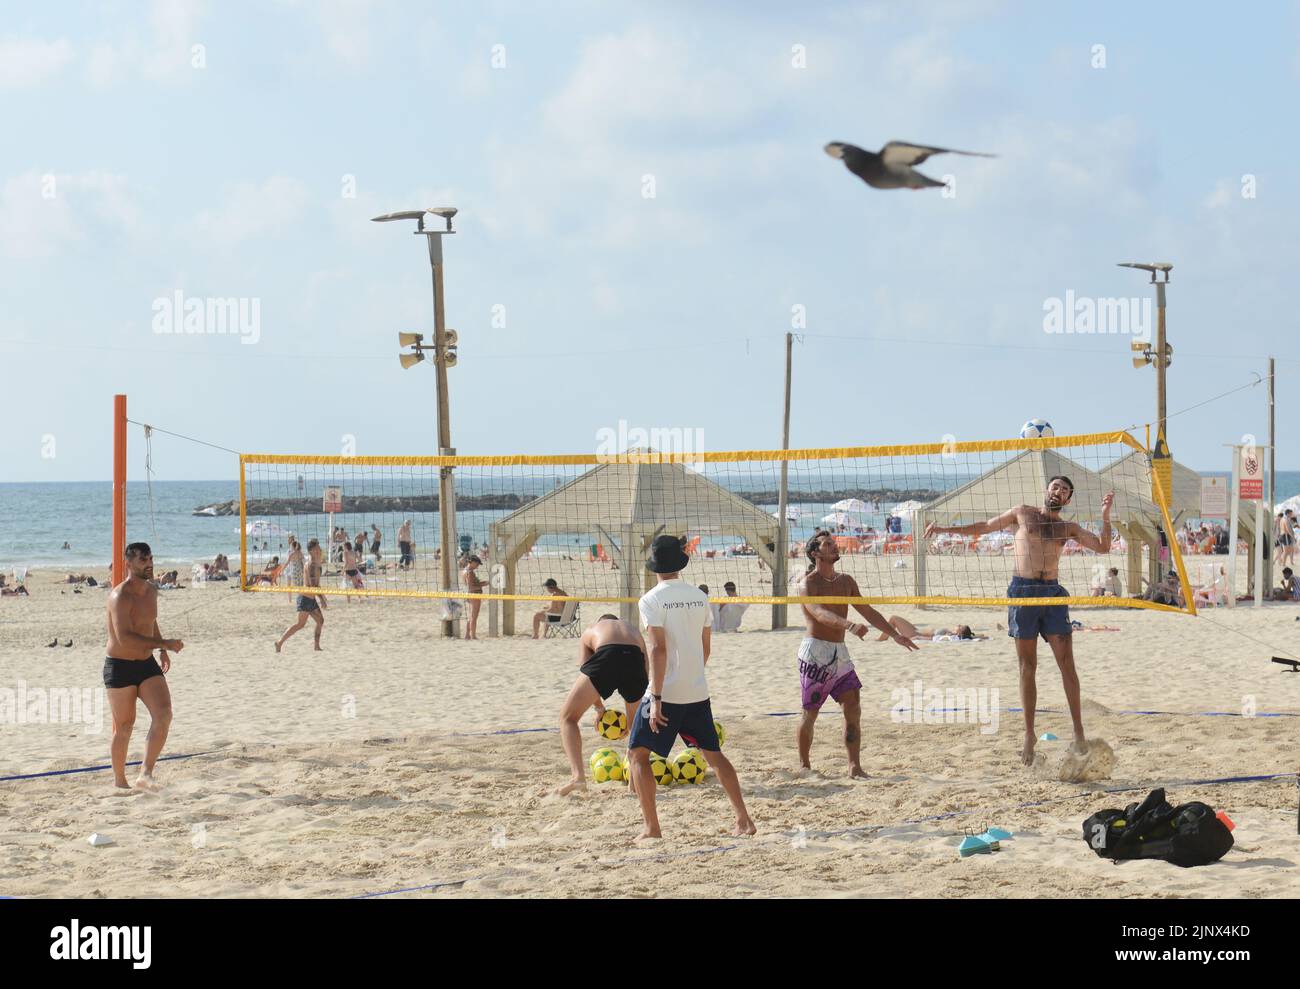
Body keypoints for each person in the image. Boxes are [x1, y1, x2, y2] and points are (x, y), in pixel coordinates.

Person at [925, 476, 1114, 766]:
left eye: (1064, 490)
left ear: (1068, 500)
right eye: (1055, 487)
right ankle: (1029, 733)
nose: (1059, 492)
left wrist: (1105, 516)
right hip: (1022, 591)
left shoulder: (1067, 528)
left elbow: (1103, 547)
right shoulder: (1022, 513)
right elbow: (984, 527)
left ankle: (1078, 732)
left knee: (1067, 665)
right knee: (1028, 666)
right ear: (1046, 490)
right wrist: (943, 529)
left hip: (1051, 593)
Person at [627, 535, 755, 840]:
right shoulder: (700, 597)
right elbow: (705, 649)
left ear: (655, 565)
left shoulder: (650, 599)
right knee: (714, 755)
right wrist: (690, 675)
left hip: (666, 693)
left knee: (637, 756)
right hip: (697, 690)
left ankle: (652, 828)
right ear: (679, 563)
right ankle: (744, 819)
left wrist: (656, 698)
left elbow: (658, 650)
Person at [794, 531, 918, 779]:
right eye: (828, 545)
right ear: (815, 553)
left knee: (853, 707)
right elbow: (818, 613)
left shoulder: (846, 580)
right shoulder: (807, 583)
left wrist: (894, 635)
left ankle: (854, 767)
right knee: (811, 713)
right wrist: (849, 625)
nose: (834, 547)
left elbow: (867, 611)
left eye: (834, 543)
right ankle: (804, 765)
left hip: (840, 653)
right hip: (815, 652)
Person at [104, 543, 182, 790]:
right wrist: (164, 643)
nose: (149, 563)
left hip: (146, 664)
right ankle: (120, 782)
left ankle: (145, 773)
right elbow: (124, 637)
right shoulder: (119, 596)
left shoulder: (151, 590)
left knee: (164, 714)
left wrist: (161, 649)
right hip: (120, 666)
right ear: (128, 564)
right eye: (142, 560)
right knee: (124, 726)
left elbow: (151, 620)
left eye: (150, 558)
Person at [555, 614, 648, 796]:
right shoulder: (633, 631)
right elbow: (646, 670)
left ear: (600, 622)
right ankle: (634, 781)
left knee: (568, 719)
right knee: (636, 728)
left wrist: (599, 708)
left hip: (607, 655)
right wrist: (631, 720)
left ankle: (578, 778)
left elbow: (586, 667)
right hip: (635, 658)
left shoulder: (591, 629)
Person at [276, 539, 326, 651]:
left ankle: (316, 646)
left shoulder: (314, 562)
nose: (319, 549)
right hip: (306, 599)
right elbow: (314, 585)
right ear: (312, 550)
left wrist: (321, 597)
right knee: (300, 624)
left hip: (309, 598)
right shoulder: (312, 564)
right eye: (317, 547)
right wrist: (322, 599)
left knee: (320, 621)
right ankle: (279, 643)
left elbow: (314, 585)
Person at [877, 616, 986, 641]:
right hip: (916, 629)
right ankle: (882, 639)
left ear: (959, 632)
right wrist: (980, 636)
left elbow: (934, 638)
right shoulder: (953, 634)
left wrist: (916, 637)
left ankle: (881, 640)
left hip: (913, 633)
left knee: (893, 619)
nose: (958, 624)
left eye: (960, 626)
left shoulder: (949, 635)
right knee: (894, 619)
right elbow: (973, 636)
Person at [461, 555, 486, 639]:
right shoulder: (470, 572)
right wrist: (484, 584)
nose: (478, 566)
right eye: (477, 564)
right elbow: (472, 586)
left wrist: (480, 583)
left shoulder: (464, 570)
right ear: (473, 562)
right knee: (474, 617)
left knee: (470, 616)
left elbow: (470, 585)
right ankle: (473, 635)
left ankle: (467, 635)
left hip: (469, 594)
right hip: (474, 594)